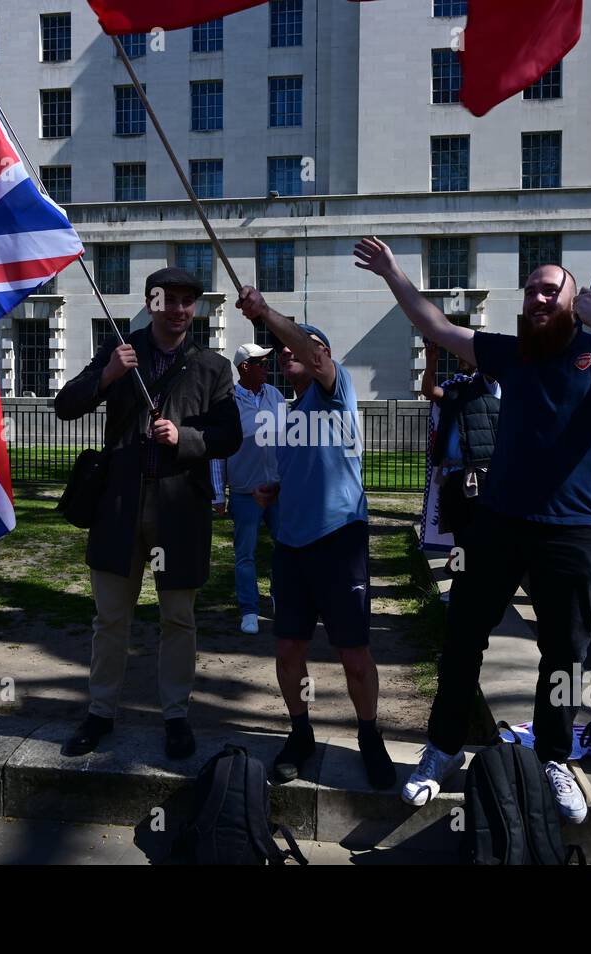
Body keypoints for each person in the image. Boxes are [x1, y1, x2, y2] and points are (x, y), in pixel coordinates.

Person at [354, 236, 591, 821]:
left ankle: (553, 756)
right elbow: (437, 326)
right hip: (498, 523)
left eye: (551, 290)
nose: (538, 299)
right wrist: (393, 272)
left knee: (564, 652)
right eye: (531, 291)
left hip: (573, 529)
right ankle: (444, 747)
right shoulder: (511, 351)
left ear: (574, 301)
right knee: (463, 636)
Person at [55, 267, 242, 760]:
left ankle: (176, 715)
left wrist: (187, 438)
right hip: (118, 507)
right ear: (151, 302)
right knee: (110, 618)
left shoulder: (212, 367)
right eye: (168, 299)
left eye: (187, 301)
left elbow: (230, 435)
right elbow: (65, 405)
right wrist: (107, 376)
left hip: (179, 510)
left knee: (178, 618)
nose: (178, 309)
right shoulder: (120, 351)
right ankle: (100, 712)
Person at [234, 286, 397, 791]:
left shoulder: (335, 389)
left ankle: (369, 735)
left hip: (339, 541)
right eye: (282, 350)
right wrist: (273, 491)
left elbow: (311, 353)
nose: (286, 353)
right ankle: (300, 732)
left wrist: (265, 313)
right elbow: (304, 472)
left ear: (320, 355)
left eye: (297, 347)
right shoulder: (289, 415)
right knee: (288, 650)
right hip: (291, 547)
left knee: (353, 653)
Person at [210, 343, 285, 634]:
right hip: (245, 491)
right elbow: (217, 452)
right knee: (245, 554)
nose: (267, 368)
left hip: (278, 490)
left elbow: (290, 440)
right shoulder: (228, 402)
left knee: (285, 549)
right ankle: (249, 610)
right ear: (244, 367)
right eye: (261, 364)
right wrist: (218, 493)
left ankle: (281, 599)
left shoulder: (275, 396)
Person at [421, 340, 500, 550]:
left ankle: (479, 568)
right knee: (459, 533)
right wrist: (431, 363)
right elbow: (429, 391)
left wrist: (476, 352)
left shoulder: (489, 385)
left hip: (481, 472)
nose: (460, 357)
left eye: (465, 353)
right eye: (459, 353)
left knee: (482, 531)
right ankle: (461, 567)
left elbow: (492, 370)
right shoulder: (451, 389)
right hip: (454, 474)